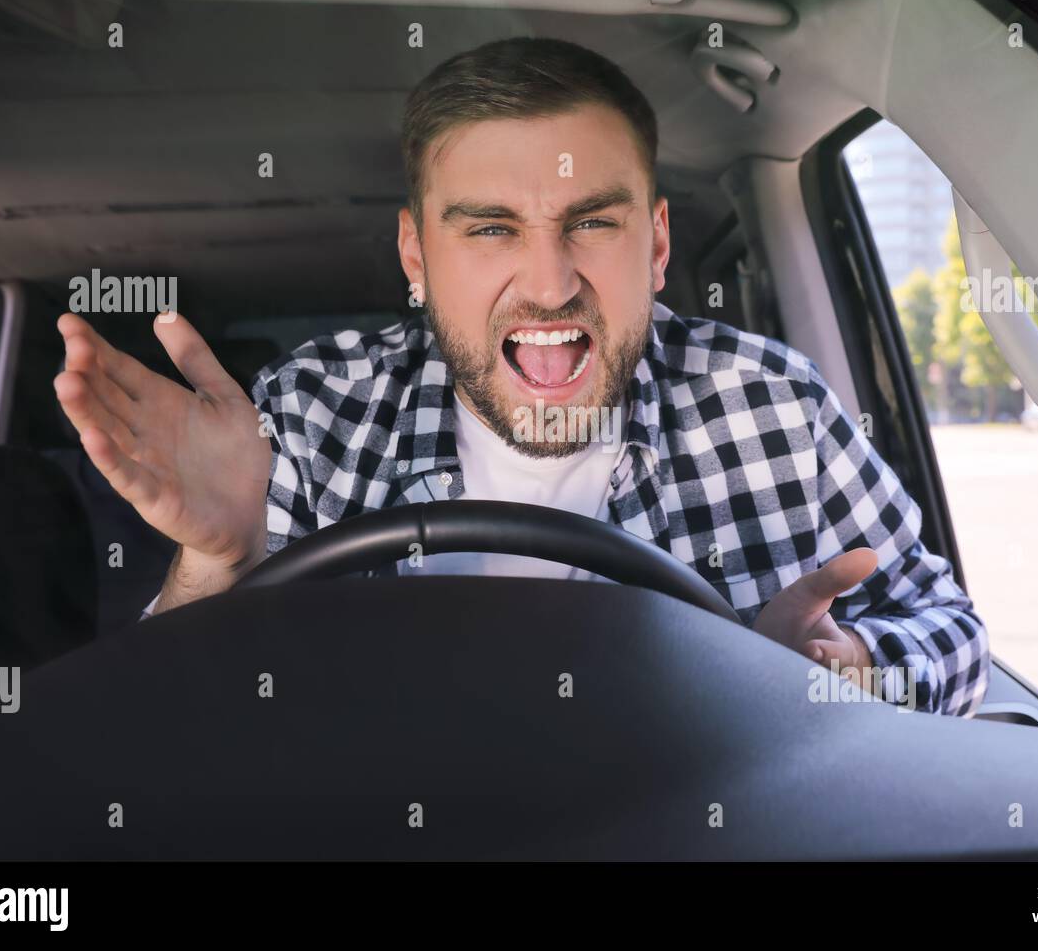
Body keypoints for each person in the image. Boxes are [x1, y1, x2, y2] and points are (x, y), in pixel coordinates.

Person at [53, 37, 989, 715]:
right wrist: (213, 562)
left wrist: (850, 666)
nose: (549, 284)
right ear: (416, 256)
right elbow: (161, 718)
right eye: (491, 228)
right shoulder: (308, 416)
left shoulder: (772, 406)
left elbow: (950, 632)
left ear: (656, 244)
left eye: (593, 220)